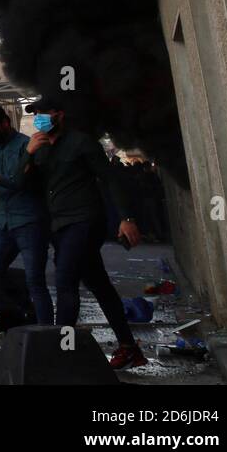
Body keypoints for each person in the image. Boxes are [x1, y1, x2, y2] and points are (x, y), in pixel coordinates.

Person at [21, 93, 146, 369]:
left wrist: (126, 217)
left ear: (59, 114)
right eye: (35, 114)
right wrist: (28, 155)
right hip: (59, 226)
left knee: (64, 280)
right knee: (99, 284)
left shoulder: (81, 143)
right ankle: (129, 346)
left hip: (85, 221)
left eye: (43, 112)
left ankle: (59, 355)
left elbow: (111, 179)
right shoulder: (39, 149)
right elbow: (25, 185)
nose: (38, 118)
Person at [0, 103, 53, 325]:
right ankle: (26, 306)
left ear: (5, 123)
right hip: (3, 221)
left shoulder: (28, 146)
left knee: (36, 280)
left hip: (29, 221)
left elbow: (24, 183)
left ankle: (47, 334)